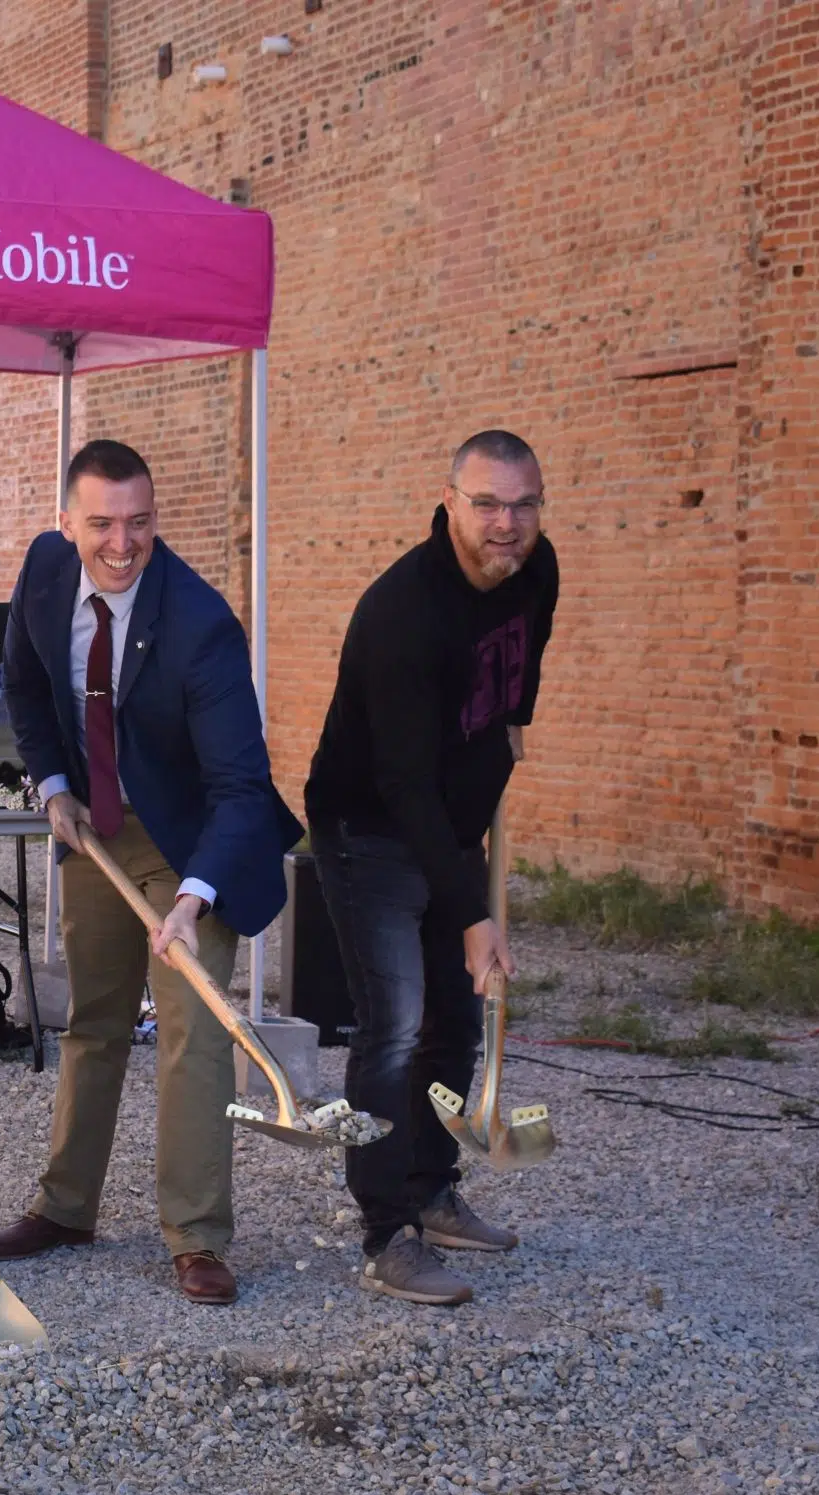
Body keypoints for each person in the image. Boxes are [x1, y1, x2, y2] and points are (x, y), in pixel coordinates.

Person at [0, 440, 302, 1305]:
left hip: (197, 839)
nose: (123, 544)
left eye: (141, 523)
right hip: (97, 826)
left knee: (192, 1025)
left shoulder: (200, 625)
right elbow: (24, 680)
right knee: (95, 1018)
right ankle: (67, 1206)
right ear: (68, 522)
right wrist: (50, 786)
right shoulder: (45, 572)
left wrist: (195, 898)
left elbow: (239, 786)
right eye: (104, 524)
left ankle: (195, 1235)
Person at [303, 429, 559, 1306]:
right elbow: (403, 784)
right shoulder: (402, 614)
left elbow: (516, 686)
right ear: (449, 500)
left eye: (524, 504)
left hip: (452, 821)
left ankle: (431, 1185)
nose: (507, 524)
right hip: (368, 826)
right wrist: (474, 914)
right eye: (487, 503)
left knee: (455, 1016)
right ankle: (385, 1232)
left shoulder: (538, 570)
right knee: (396, 1025)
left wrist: (510, 729)